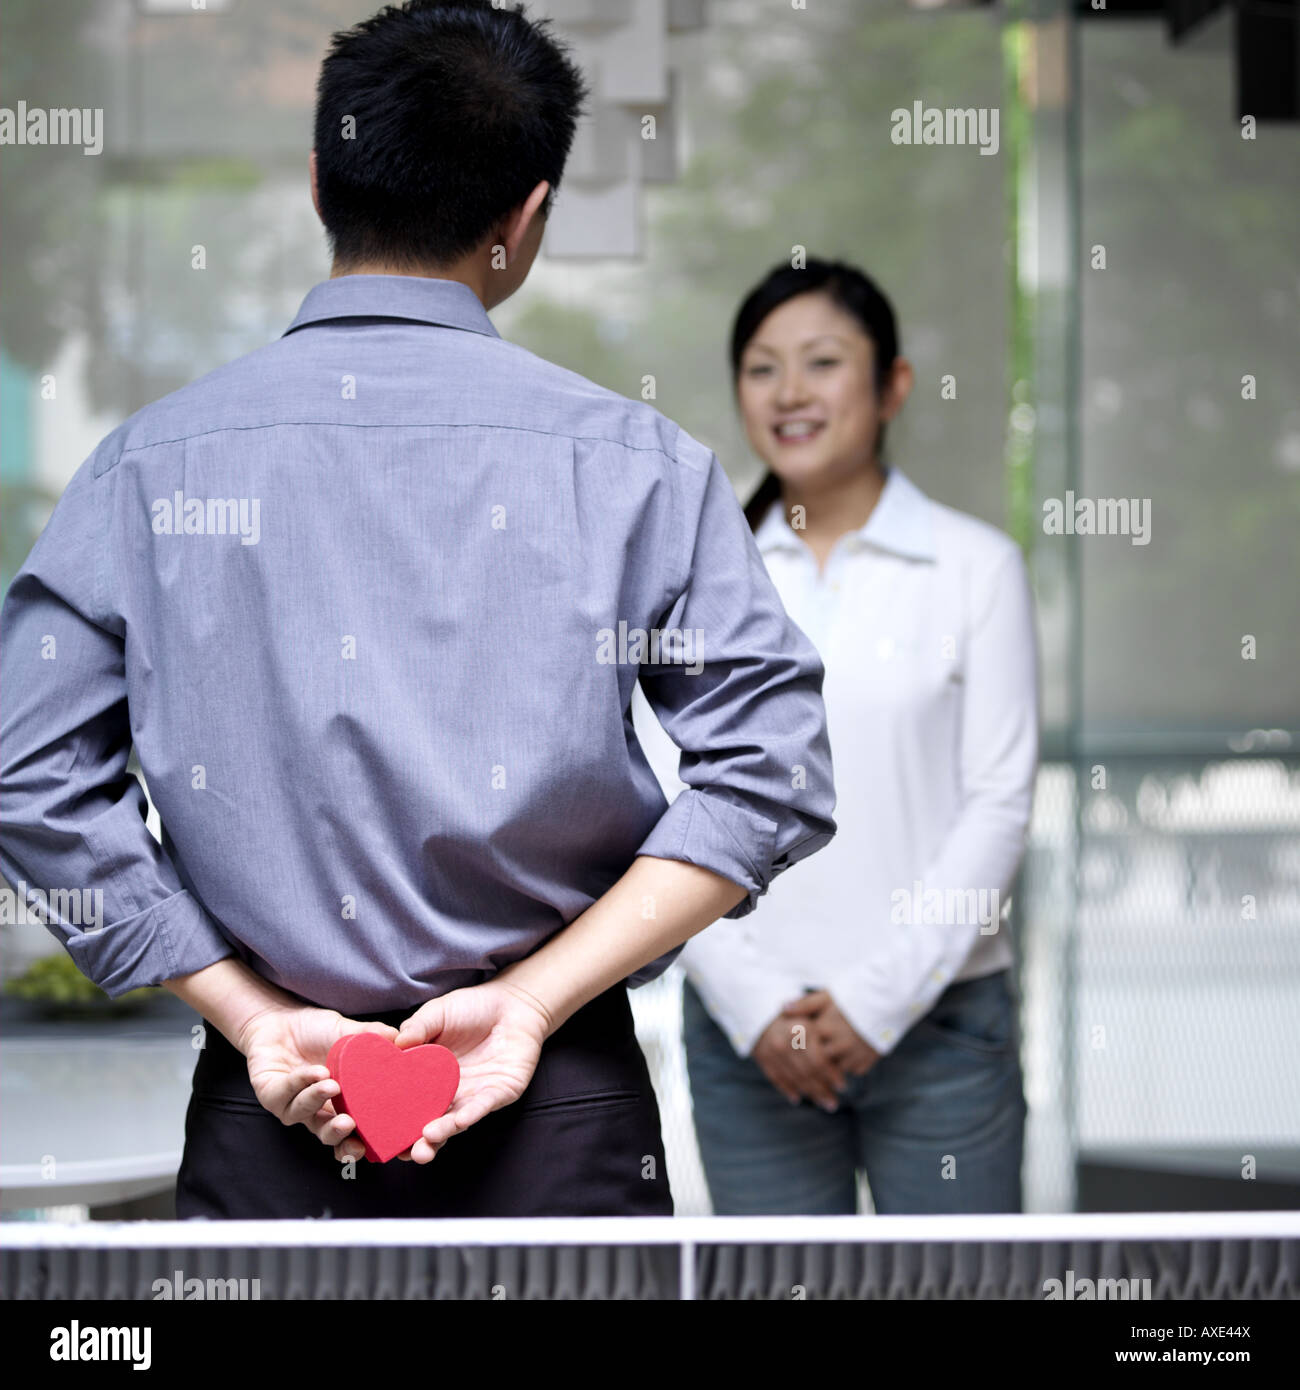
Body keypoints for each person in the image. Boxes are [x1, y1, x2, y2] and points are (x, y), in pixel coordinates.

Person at [0, 1, 837, 1219]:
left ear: (318, 182)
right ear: (527, 217)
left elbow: (25, 770)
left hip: (274, 1095)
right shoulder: (637, 463)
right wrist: (534, 1000)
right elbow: (772, 773)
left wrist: (251, 1013)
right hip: (557, 1104)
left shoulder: (150, 465)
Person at [635, 258, 1039, 1214]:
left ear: (893, 383)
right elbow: (656, 803)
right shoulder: (692, 579)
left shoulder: (976, 568)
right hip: (750, 1036)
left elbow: (1000, 804)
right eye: (762, 368)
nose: (790, 393)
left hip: (943, 1027)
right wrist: (761, 1006)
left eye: (822, 362)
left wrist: (873, 1004)